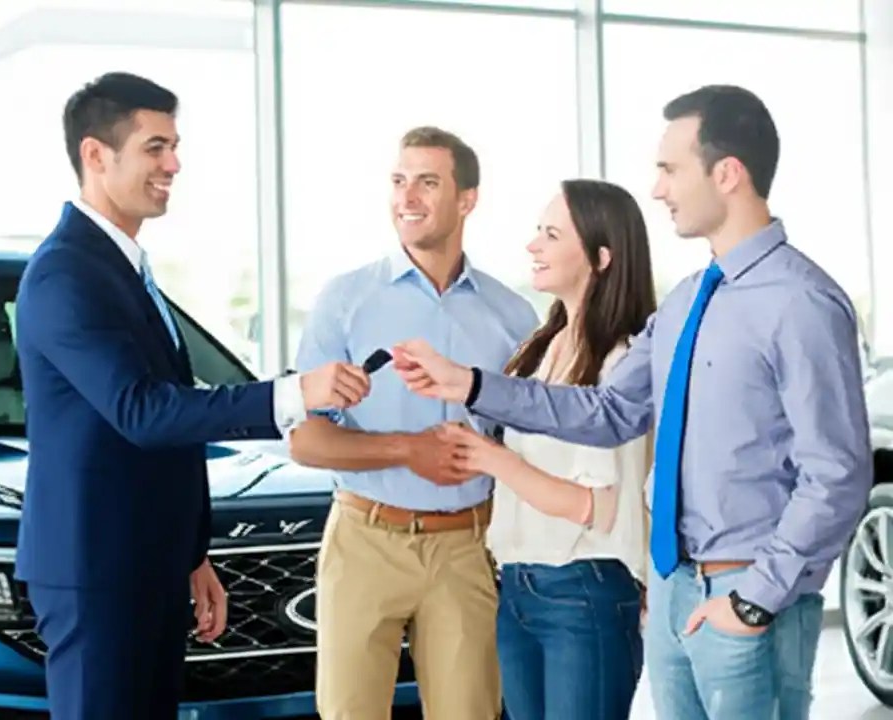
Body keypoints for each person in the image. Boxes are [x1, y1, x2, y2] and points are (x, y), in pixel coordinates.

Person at [392, 84, 873, 720]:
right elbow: (607, 412)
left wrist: (755, 599)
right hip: (675, 591)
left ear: (726, 174)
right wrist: (472, 385)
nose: (657, 189)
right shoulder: (687, 302)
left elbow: (837, 473)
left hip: (749, 594)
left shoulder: (801, 301)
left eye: (670, 169)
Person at [12, 71, 371, 720]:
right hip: (98, 571)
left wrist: (191, 553)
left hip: (146, 562)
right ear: (97, 155)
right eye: (155, 147)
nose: (174, 163)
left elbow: (168, 422)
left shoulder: (124, 266)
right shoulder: (66, 273)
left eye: (174, 145)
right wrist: (294, 394)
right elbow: (144, 413)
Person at [288, 126, 539, 720]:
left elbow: (528, 442)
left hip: (465, 548)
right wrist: (407, 449)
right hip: (363, 541)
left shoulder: (514, 316)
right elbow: (304, 438)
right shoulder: (344, 300)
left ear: (467, 199)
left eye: (428, 182)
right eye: (399, 181)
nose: (408, 198)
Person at [439, 179, 656, 720]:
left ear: (601, 257)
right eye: (538, 230)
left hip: (582, 591)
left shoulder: (619, 362)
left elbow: (593, 507)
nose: (532, 245)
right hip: (518, 587)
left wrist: (492, 460)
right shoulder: (538, 349)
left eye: (551, 233)